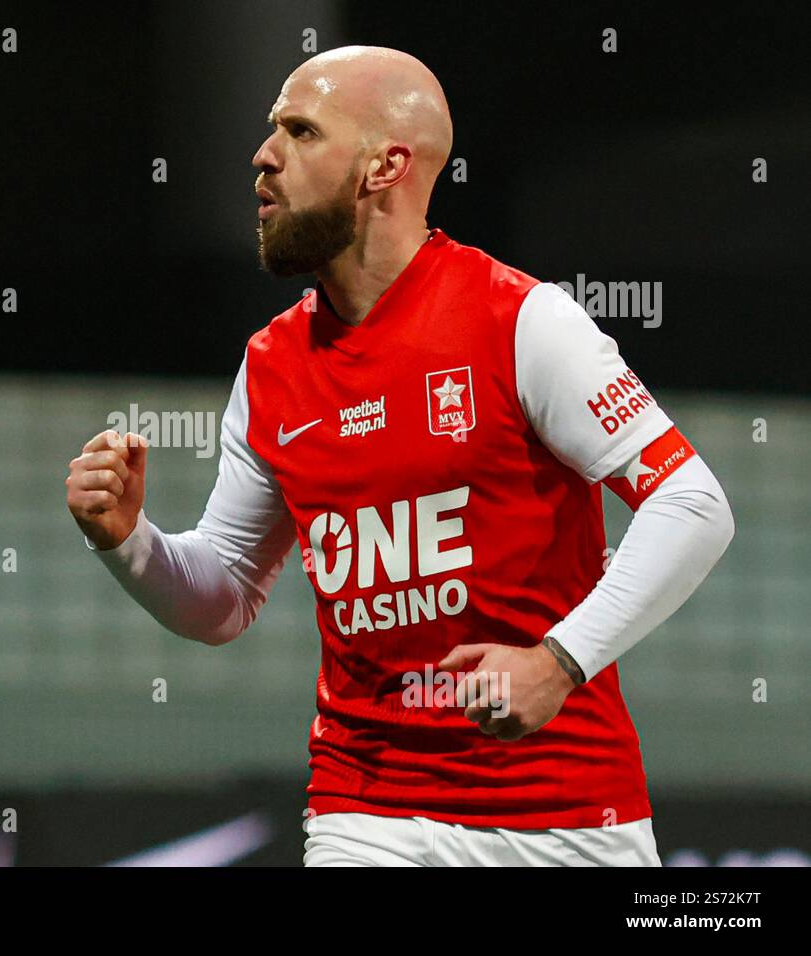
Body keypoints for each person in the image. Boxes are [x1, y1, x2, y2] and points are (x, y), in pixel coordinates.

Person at [65, 46, 734, 866]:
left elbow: (693, 505)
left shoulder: (521, 322)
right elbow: (224, 597)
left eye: (300, 131)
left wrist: (558, 663)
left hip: (566, 816)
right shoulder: (273, 366)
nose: (262, 156)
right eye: (273, 129)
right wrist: (127, 541)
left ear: (385, 166)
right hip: (367, 813)